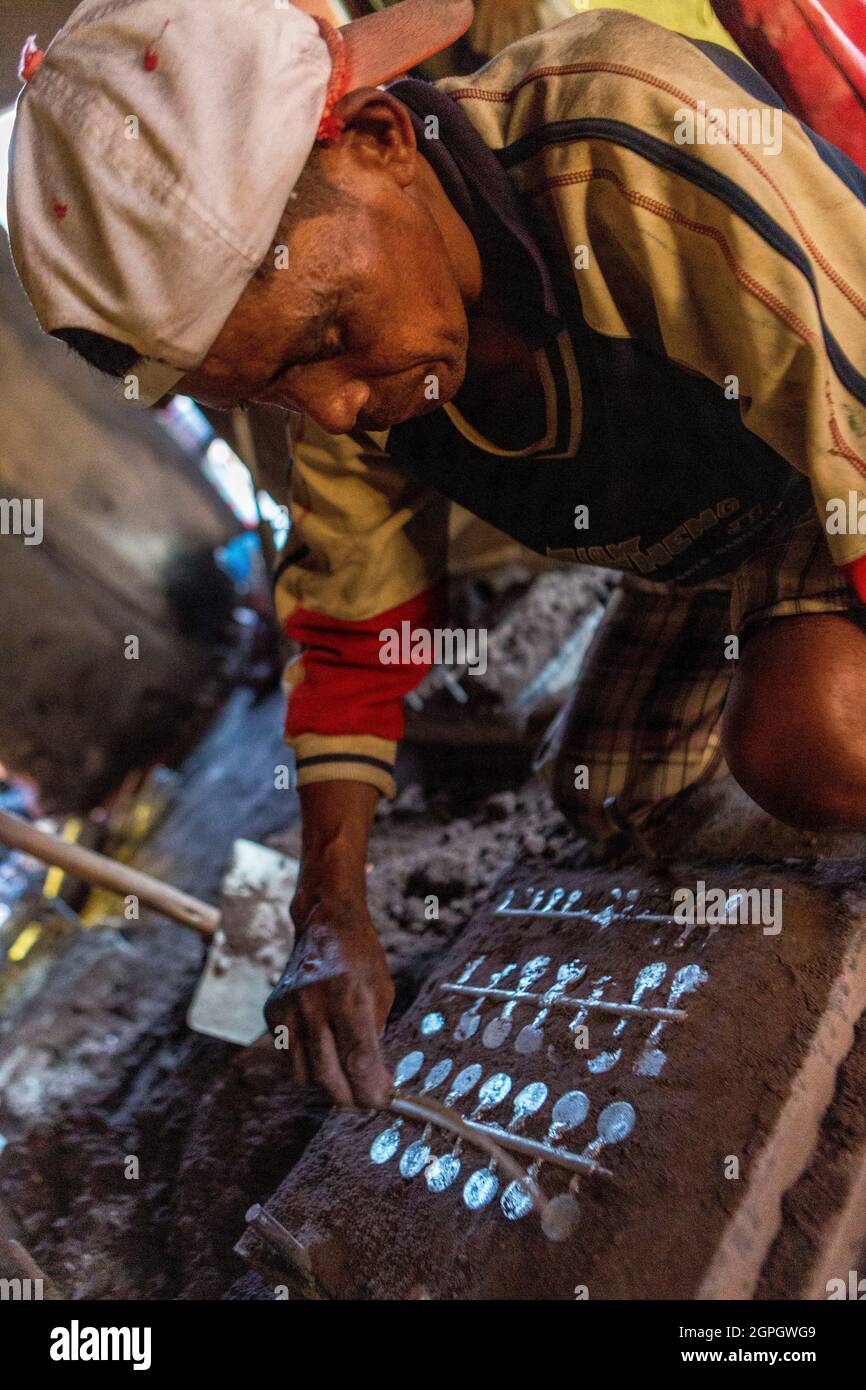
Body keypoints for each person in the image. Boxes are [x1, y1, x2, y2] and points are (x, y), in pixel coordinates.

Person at [9, 0, 866, 1110]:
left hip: (831, 478)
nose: (331, 407)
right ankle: (784, 638)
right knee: (602, 791)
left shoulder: (623, 142)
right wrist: (329, 910)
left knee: (805, 739)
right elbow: (351, 634)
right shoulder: (339, 390)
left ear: (379, 139)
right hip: (715, 546)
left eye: (327, 334)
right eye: (275, 389)